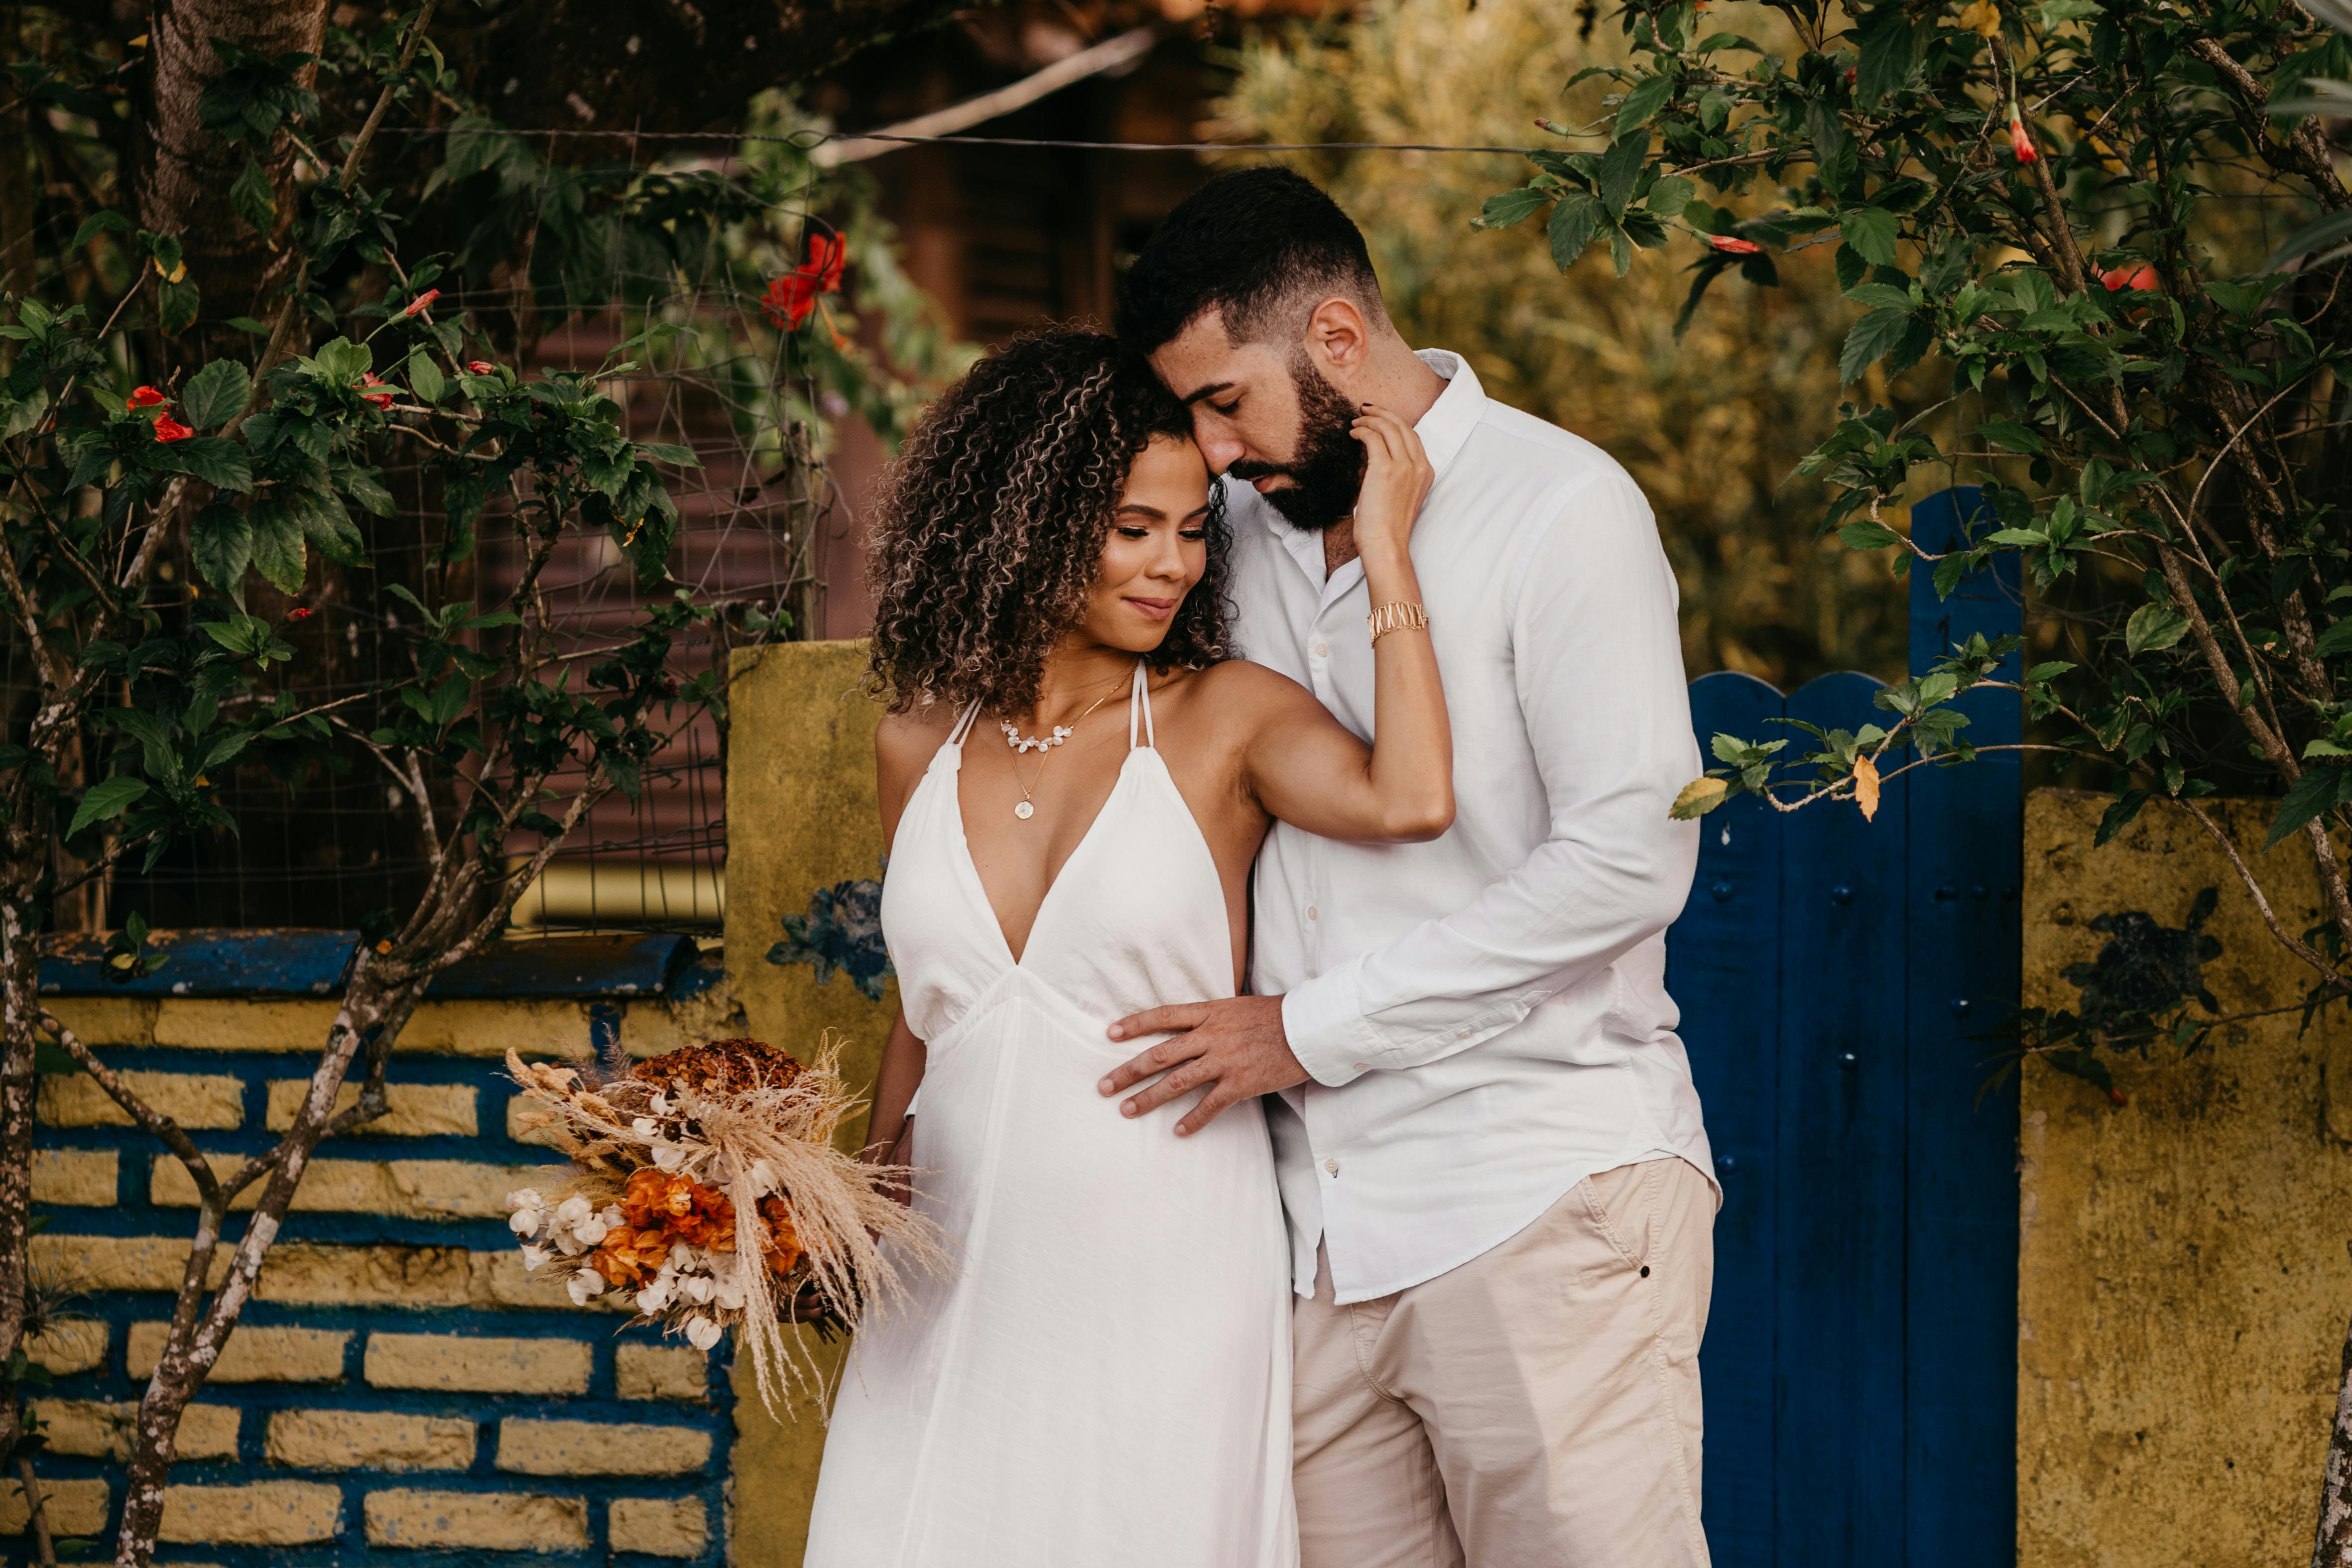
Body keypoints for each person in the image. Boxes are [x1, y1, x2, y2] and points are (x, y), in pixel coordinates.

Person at [1105, 166, 1718, 1568]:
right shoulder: (1230, 546)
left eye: (1223, 403)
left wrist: (1304, 1034)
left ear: (1331, 340)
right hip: (1309, 1237)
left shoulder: (1563, 506)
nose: (1208, 451)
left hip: (1536, 1194)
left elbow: (1625, 859)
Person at [801, 326, 1453, 1567]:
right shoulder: (915, 745)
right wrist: (858, 1200)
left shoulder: (1225, 720)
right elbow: (924, 1014)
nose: (1171, 567)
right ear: (1029, 524)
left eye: (1194, 529)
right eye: (1132, 529)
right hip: (941, 1265)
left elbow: (1410, 797)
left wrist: (1386, 558)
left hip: (1161, 1271)